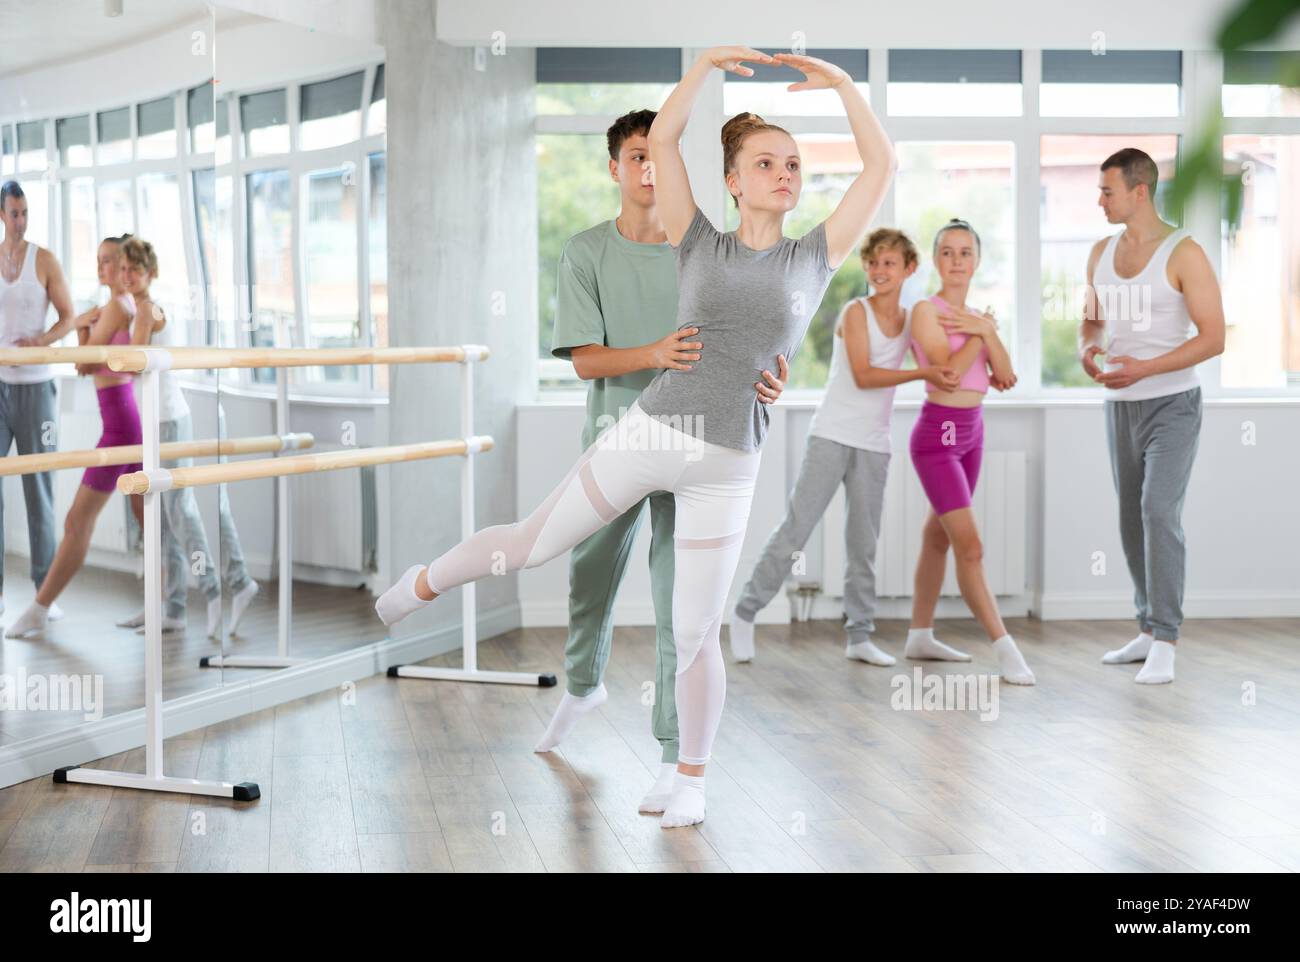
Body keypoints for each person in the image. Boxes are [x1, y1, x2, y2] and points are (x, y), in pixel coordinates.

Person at [377, 46, 895, 829]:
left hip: (727, 462)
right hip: (652, 428)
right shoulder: (698, 239)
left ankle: (690, 775)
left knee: (692, 632)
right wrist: (707, 67)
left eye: (793, 163)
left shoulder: (814, 257)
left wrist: (846, 87)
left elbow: (880, 165)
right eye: (766, 162)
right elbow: (662, 139)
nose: (784, 173)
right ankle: (424, 583)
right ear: (733, 180)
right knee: (533, 544)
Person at [538, 108, 787, 815]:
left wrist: (775, 374)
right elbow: (586, 361)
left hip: (703, 445)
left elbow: (764, 329)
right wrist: (654, 354)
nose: (650, 169)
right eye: (636, 157)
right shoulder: (585, 253)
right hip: (620, 440)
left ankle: (676, 760)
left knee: (687, 613)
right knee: (588, 575)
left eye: (660, 156)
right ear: (614, 168)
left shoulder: (709, 248)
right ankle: (583, 685)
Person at [728, 228, 958, 664]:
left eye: (889, 263)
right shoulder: (855, 312)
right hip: (832, 434)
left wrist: (978, 326)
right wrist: (921, 375)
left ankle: (859, 635)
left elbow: (942, 356)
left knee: (863, 541)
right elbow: (865, 375)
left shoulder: (913, 320)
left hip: (875, 443)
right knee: (797, 527)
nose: (878, 270)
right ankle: (745, 612)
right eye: (872, 262)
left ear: (909, 269)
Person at [1080, 147, 1224, 684]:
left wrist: (1147, 369)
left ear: (1140, 192)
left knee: (1159, 512)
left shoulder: (1184, 253)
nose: (1099, 200)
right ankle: (1144, 630)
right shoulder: (1099, 252)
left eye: (1107, 191)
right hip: (1119, 404)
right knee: (1130, 518)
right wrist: (1085, 352)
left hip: (1173, 403)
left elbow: (1213, 338)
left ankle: (1166, 637)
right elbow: (1090, 323)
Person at [6, 237, 162, 638]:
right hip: (123, 417)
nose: (103, 268)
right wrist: (83, 329)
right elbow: (87, 362)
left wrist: (77, 324)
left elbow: (82, 363)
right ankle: (160, 606)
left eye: (109, 261)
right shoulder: (121, 306)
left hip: (121, 427)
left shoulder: (114, 306)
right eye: (99, 261)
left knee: (78, 519)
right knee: (143, 517)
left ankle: (39, 608)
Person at [904, 219, 1036, 685]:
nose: (956, 261)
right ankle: (1005, 649)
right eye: (947, 252)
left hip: (973, 431)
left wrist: (986, 331)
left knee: (937, 536)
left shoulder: (978, 315)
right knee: (971, 547)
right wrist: (981, 333)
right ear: (936, 260)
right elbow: (948, 375)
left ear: (976, 261)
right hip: (938, 435)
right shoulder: (925, 311)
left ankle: (919, 634)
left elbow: (1006, 377)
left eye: (965, 253)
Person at [0, 180, 75, 621]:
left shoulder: (44, 260)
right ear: (1, 214)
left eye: (25, 211)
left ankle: (45, 590)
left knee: (39, 488)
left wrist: (41, 341)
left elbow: (68, 316)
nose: (21, 219)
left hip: (36, 386)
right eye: (14, 212)